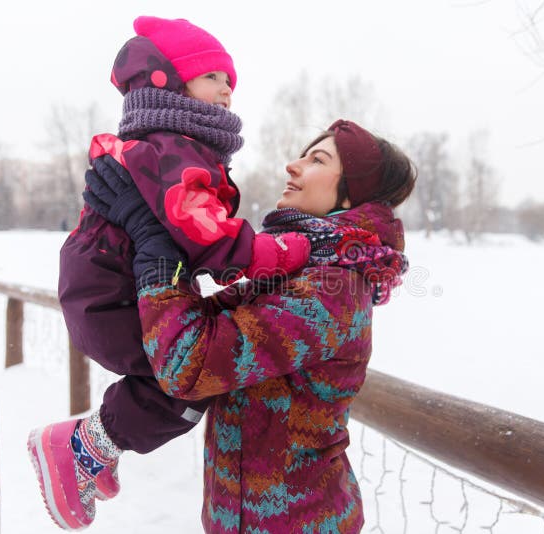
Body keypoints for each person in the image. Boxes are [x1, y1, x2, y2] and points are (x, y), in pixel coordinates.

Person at [27, 16, 310, 531]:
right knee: (186, 383)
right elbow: (200, 227)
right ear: (168, 81)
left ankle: (96, 445)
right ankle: (82, 447)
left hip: (111, 286)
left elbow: (190, 234)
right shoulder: (170, 147)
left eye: (230, 80)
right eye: (212, 77)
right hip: (110, 293)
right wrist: (273, 253)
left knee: (181, 378)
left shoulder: (175, 146)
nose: (227, 88)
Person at [84, 119, 416, 532]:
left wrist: (154, 241)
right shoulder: (299, 274)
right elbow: (198, 326)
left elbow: (188, 362)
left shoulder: (333, 290)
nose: (292, 166)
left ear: (351, 196)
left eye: (317, 159)